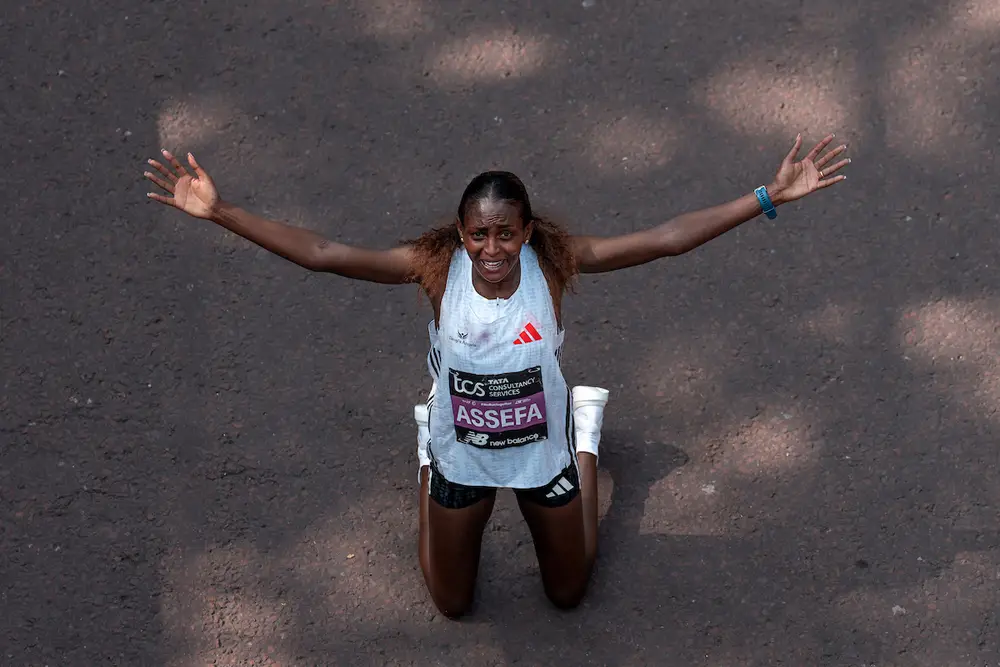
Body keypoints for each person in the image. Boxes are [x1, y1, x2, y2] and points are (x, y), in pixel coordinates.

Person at [142, 133, 851, 617]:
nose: (491, 249)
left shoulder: (555, 263)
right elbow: (326, 253)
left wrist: (767, 197)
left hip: (542, 459)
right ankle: (427, 445)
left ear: (527, 229)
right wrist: (221, 212)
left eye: (504, 233)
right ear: (460, 234)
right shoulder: (433, 269)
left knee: (569, 594)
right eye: (477, 234)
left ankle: (586, 437)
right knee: (452, 603)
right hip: (463, 460)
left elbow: (664, 240)